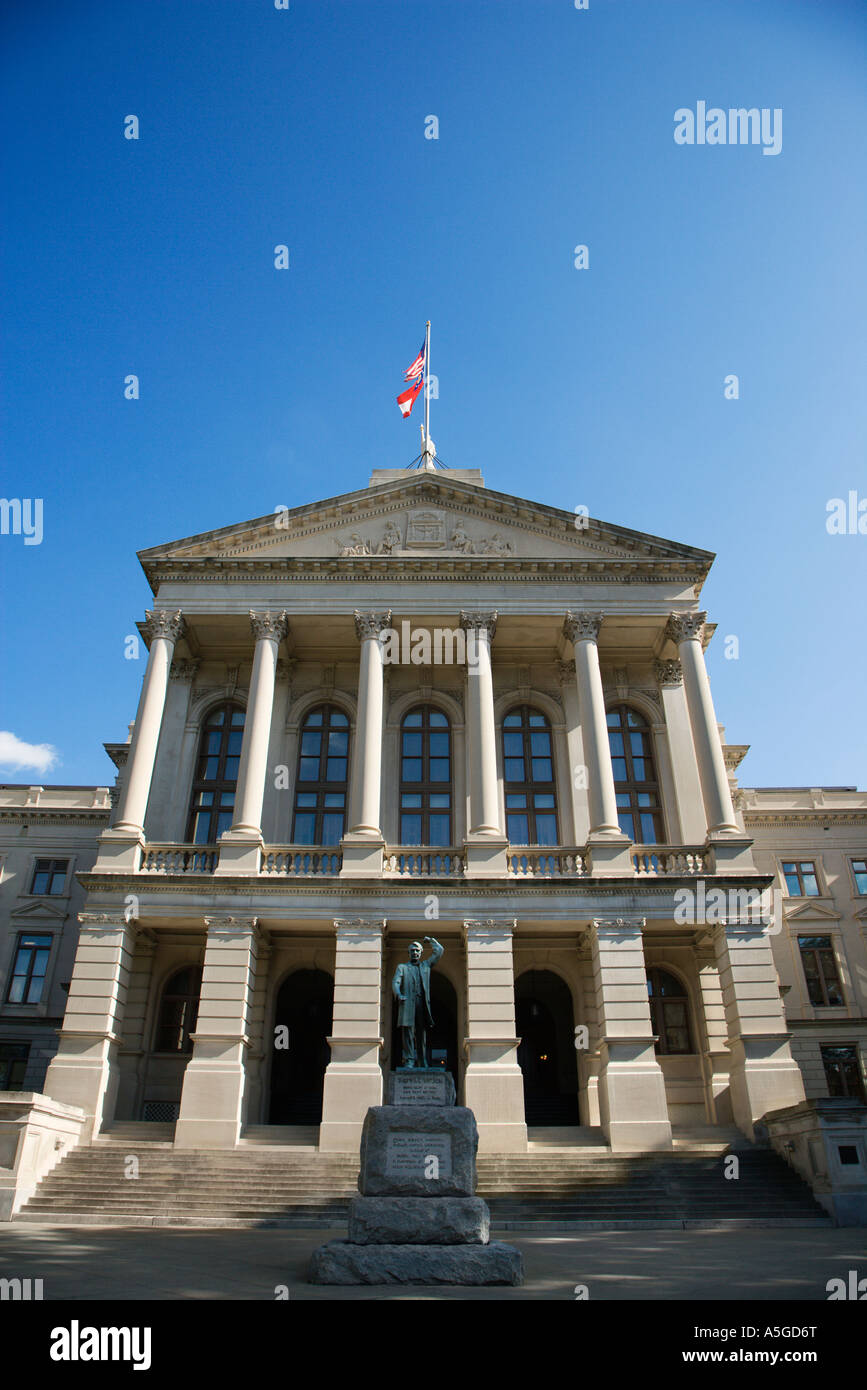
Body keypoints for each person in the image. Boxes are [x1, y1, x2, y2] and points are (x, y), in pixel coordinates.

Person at [392, 936, 444, 1068]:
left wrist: (431, 941)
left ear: (421, 953)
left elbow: (439, 950)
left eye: (417, 950)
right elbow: (396, 982)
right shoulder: (402, 967)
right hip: (408, 1003)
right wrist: (398, 994)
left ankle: (422, 1060)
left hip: (421, 1005)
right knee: (408, 1033)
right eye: (412, 950)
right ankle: (409, 1060)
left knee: (421, 1034)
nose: (415, 953)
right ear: (408, 953)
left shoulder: (425, 965)